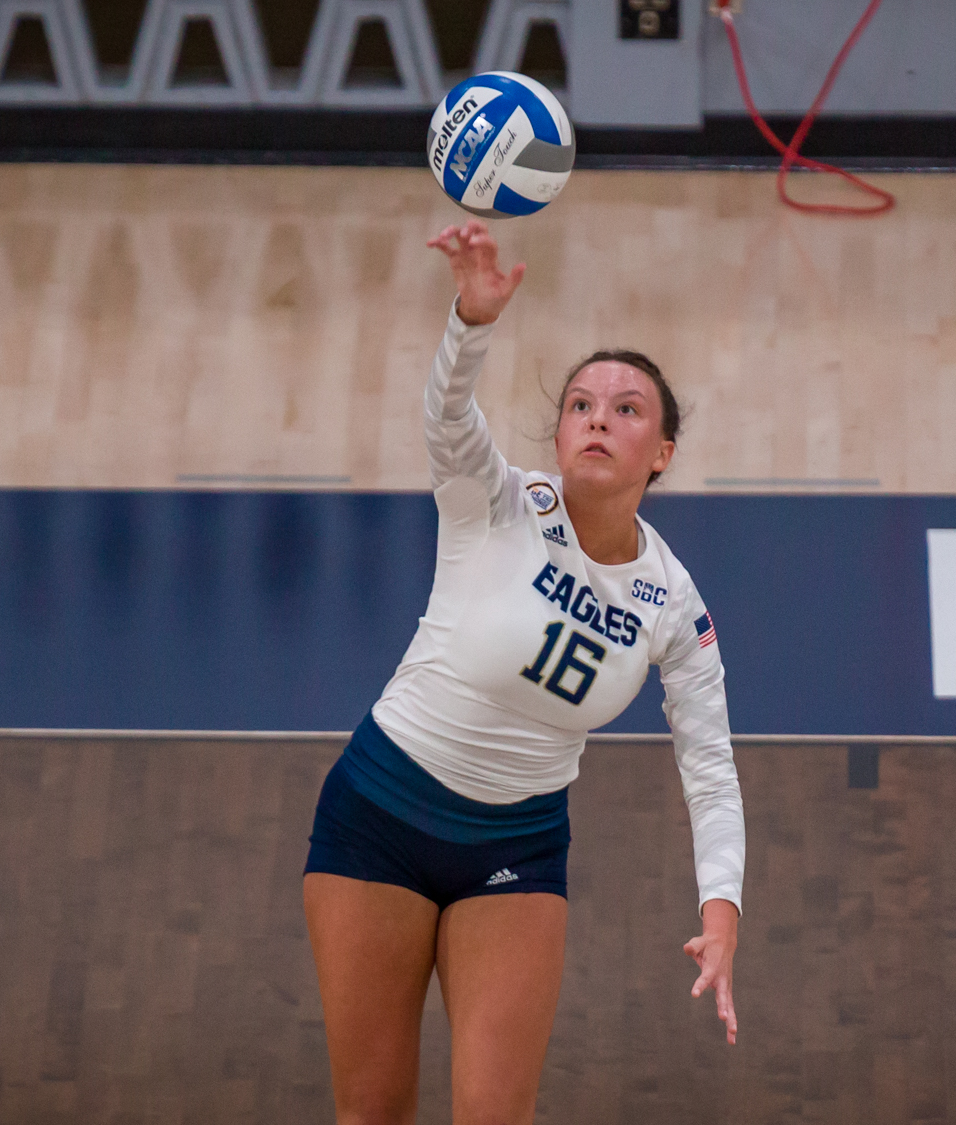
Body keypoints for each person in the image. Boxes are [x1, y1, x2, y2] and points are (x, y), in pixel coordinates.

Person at [302, 219, 745, 1125]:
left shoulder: (673, 600)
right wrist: (471, 319)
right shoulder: (496, 500)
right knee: (372, 1111)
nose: (598, 419)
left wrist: (723, 905)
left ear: (661, 453)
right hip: (377, 815)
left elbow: (710, 766)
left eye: (627, 410)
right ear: (558, 432)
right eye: (582, 404)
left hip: (514, 848)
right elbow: (446, 418)